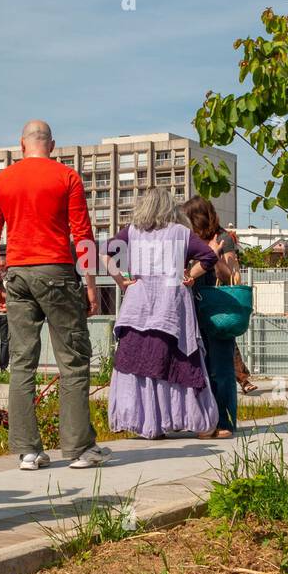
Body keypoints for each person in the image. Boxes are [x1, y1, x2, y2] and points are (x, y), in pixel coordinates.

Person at [0, 120, 111, 471]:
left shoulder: (1, 180)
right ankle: (80, 449)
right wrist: (90, 283)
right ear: (51, 145)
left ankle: (28, 451)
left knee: (21, 361)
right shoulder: (66, 177)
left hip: (18, 274)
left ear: (21, 145)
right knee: (72, 359)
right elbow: (82, 233)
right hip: (56, 270)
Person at [105, 188, 219, 439]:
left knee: (137, 364)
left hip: (137, 308)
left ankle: (147, 424)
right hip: (172, 307)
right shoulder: (180, 233)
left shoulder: (131, 232)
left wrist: (121, 281)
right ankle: (188, 419)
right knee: (178, 361)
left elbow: (106, 254)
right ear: (170, 208)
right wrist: (190, 275)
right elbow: (209, 256)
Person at [181, 196, 238, 438]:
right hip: (194, 311)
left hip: (219, 311)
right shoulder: (188, 241)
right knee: (199, 368)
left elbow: (233, 277)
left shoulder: (223, 239)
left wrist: (213, 258)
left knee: (221, 367)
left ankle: (224, 421)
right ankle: (205, 421)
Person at [220, 224, 258, 394]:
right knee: (229, 342)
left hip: (221, 297)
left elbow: (234, 273)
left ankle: (243, 379)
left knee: (229, 342)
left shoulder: (223, 240)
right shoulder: (222, 240)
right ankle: (243, 380)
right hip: (219, 298)